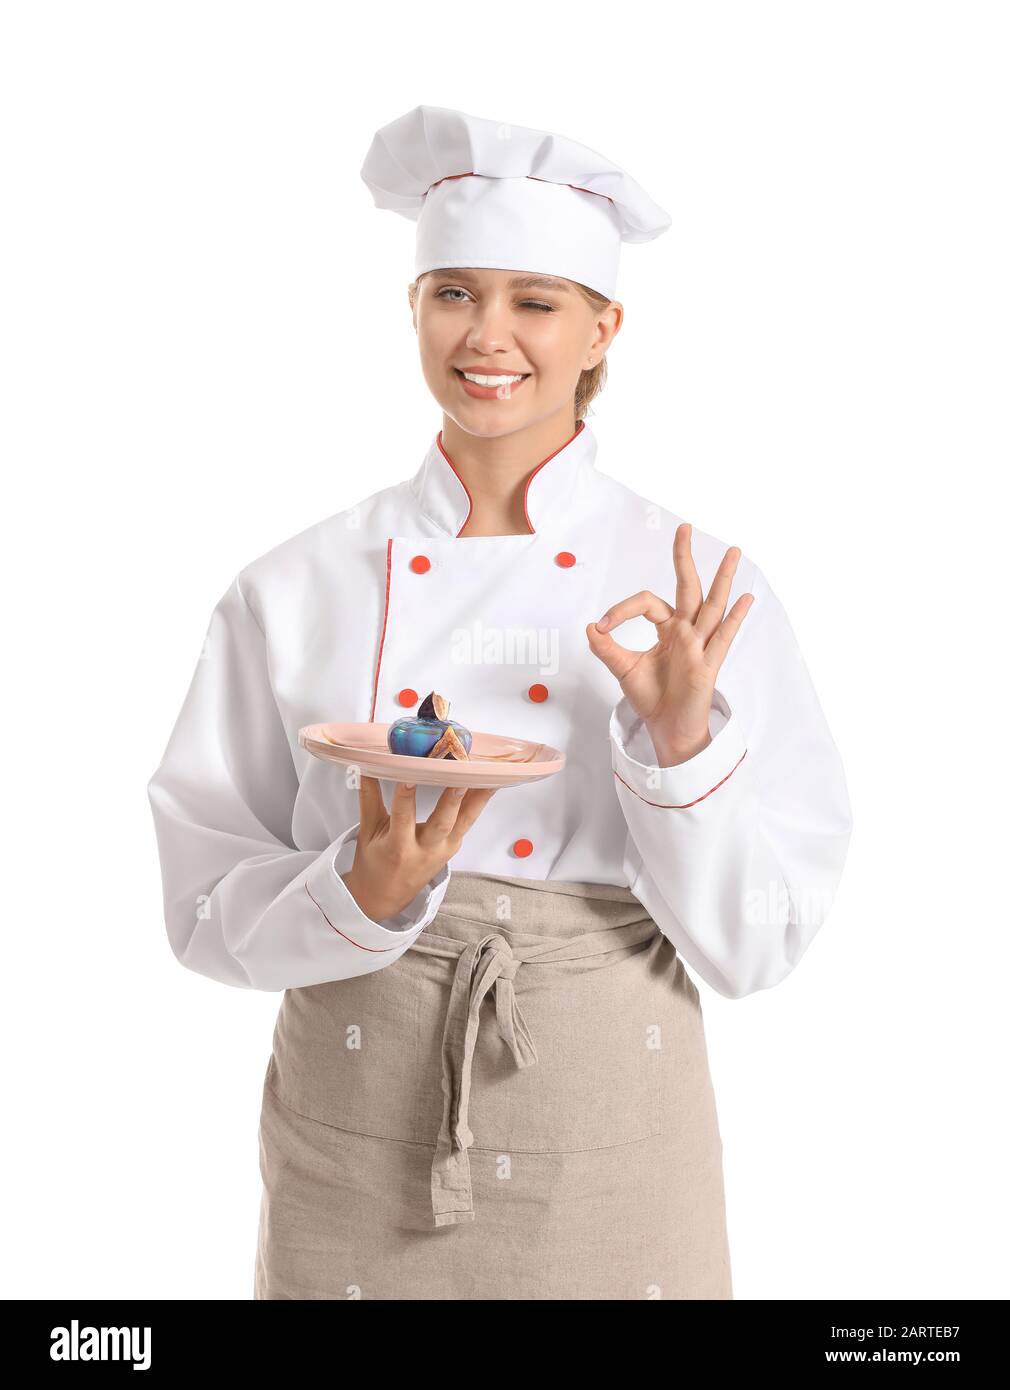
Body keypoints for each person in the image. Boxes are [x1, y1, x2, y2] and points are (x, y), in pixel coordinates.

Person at [147, 105, 853, 1300]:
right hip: (359, 1104)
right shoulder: (292, 585)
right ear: (412, 309)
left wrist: (681, 749)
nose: (487, 335)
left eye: (534, 300)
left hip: (610, 1104)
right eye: (452, 293)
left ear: (600, 328)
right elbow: (201, 904)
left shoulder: (693, 583)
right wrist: (356, 895)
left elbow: (755, 944)